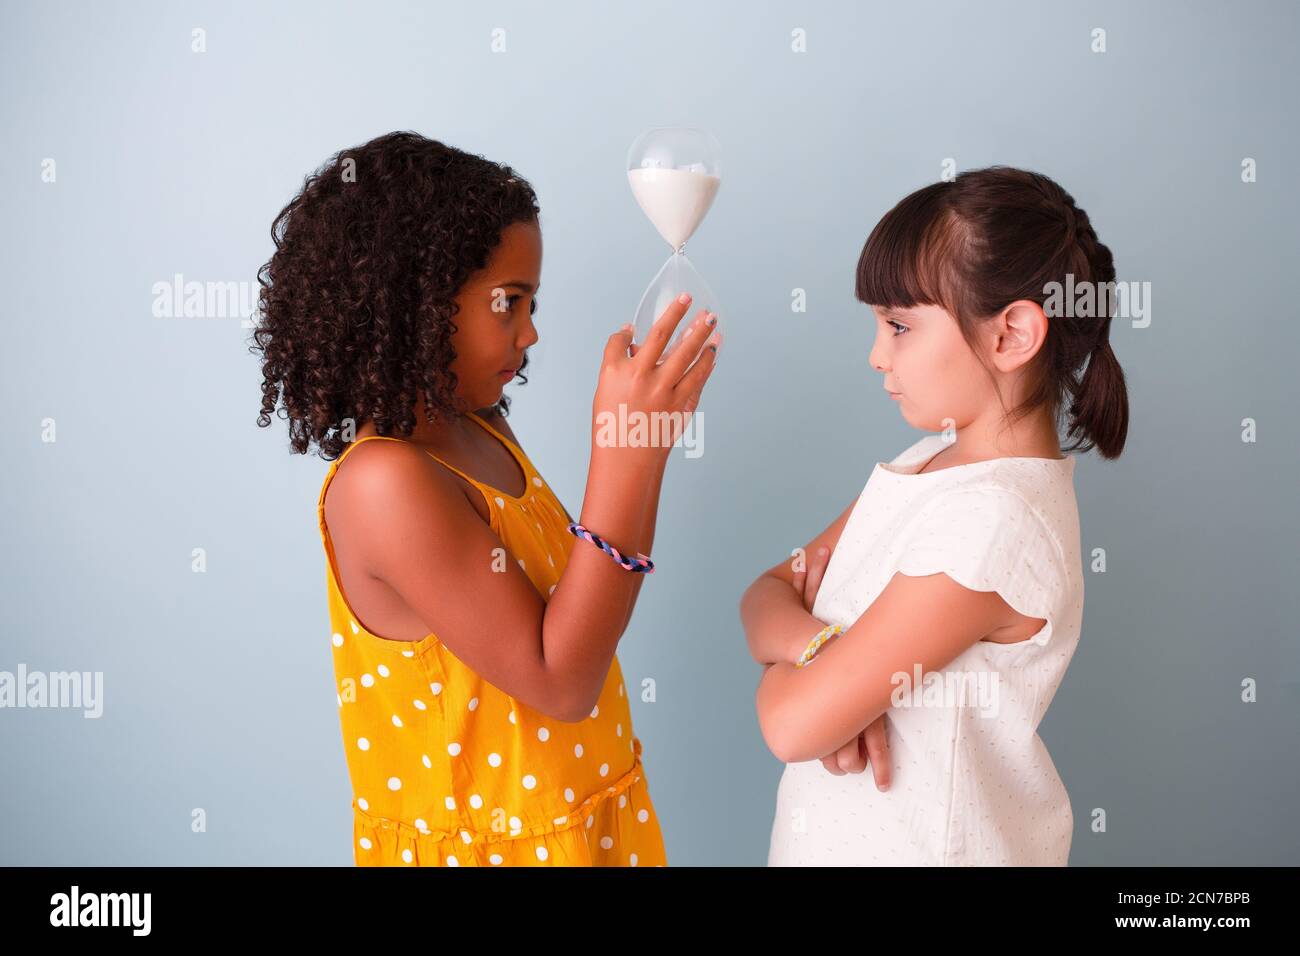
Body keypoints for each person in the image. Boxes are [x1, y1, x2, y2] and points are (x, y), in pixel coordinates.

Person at [251, 131, 719, 865]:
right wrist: (626, 458)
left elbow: (581, 614)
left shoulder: (479, 431)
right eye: (510, 302)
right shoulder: (384, 483)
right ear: (412, 300)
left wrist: (645, 448)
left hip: (586, 826)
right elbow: (561, 682)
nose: (530, 333)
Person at [744, 166, 1129, 865]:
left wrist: (811, 680)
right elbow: (763, 594)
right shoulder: (929, 463)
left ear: (1011, 335)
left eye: (898, 326)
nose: (875, 355)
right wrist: (820, 655)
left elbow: (792, 726)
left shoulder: (992, 525)